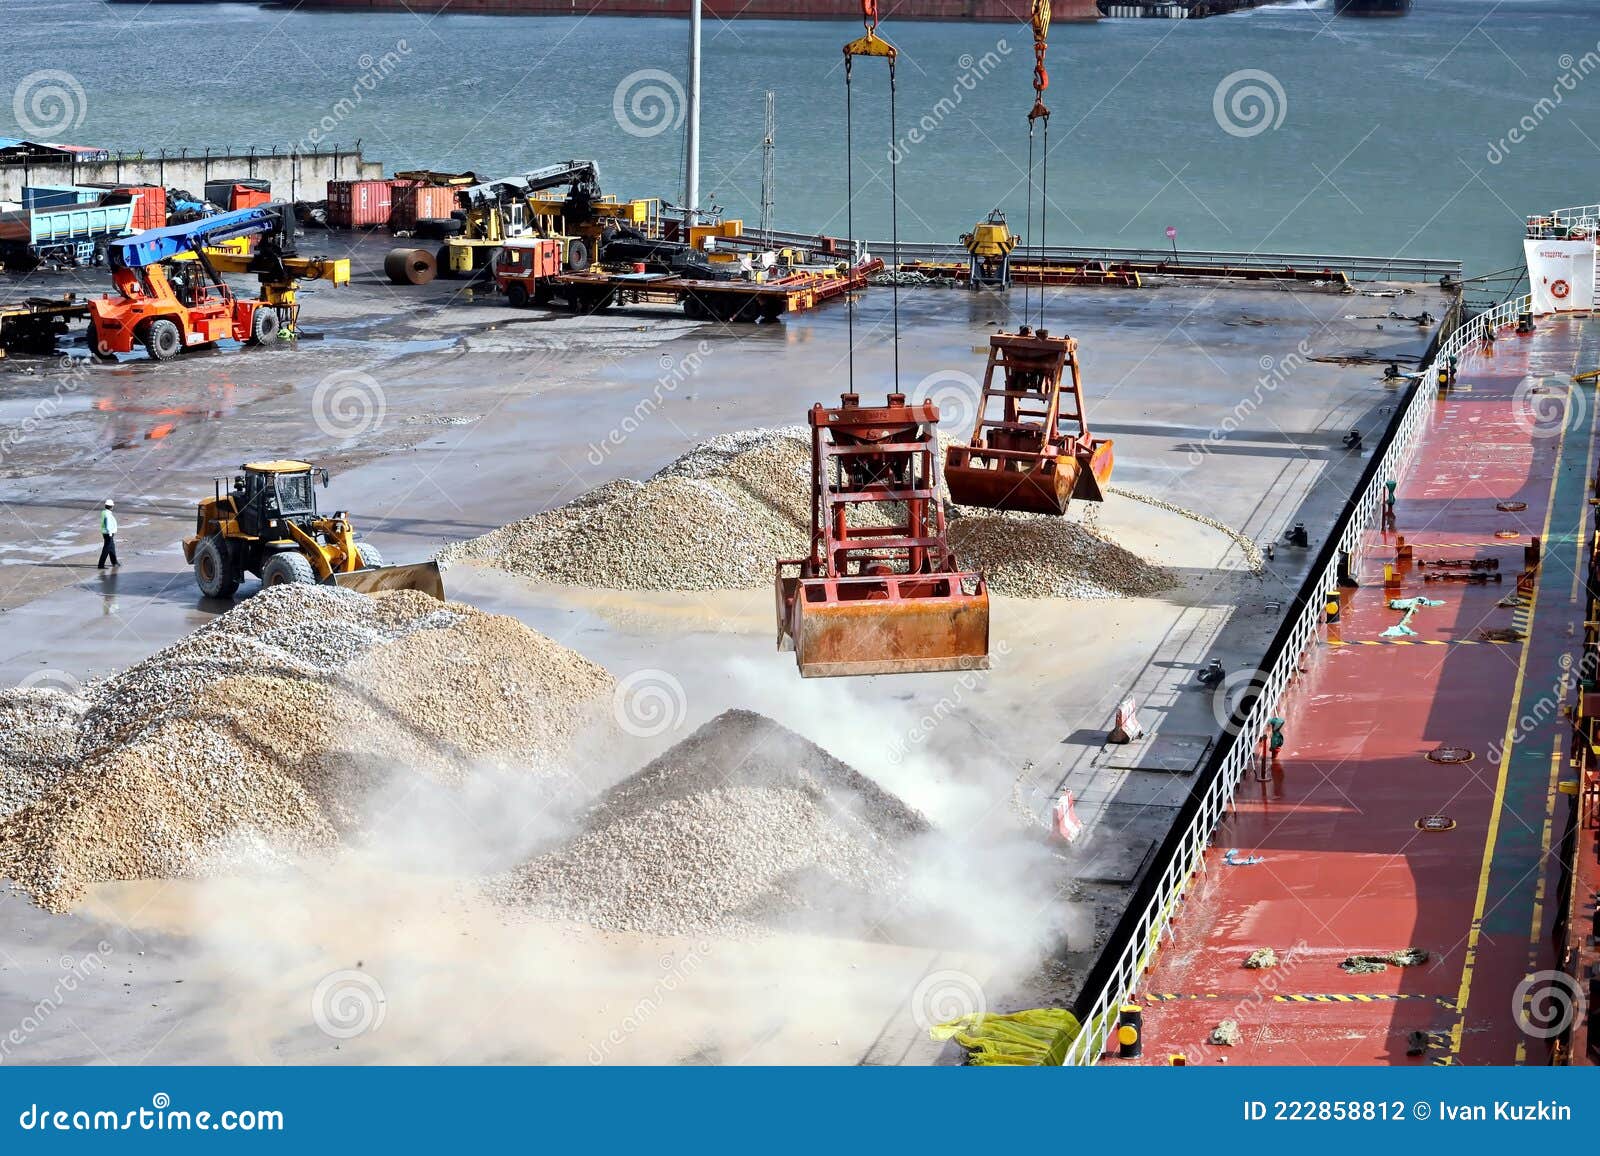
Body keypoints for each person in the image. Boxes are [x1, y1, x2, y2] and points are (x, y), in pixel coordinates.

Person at [98, 499, 120, 570]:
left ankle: (114, 562)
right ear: (111, 507)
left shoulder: (104, 512)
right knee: (106, 549)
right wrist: (110, 533)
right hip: (108, 533)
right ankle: (101, 565)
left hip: (106, 532)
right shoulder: (107, 514)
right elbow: (107, 524)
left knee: (111, 547)